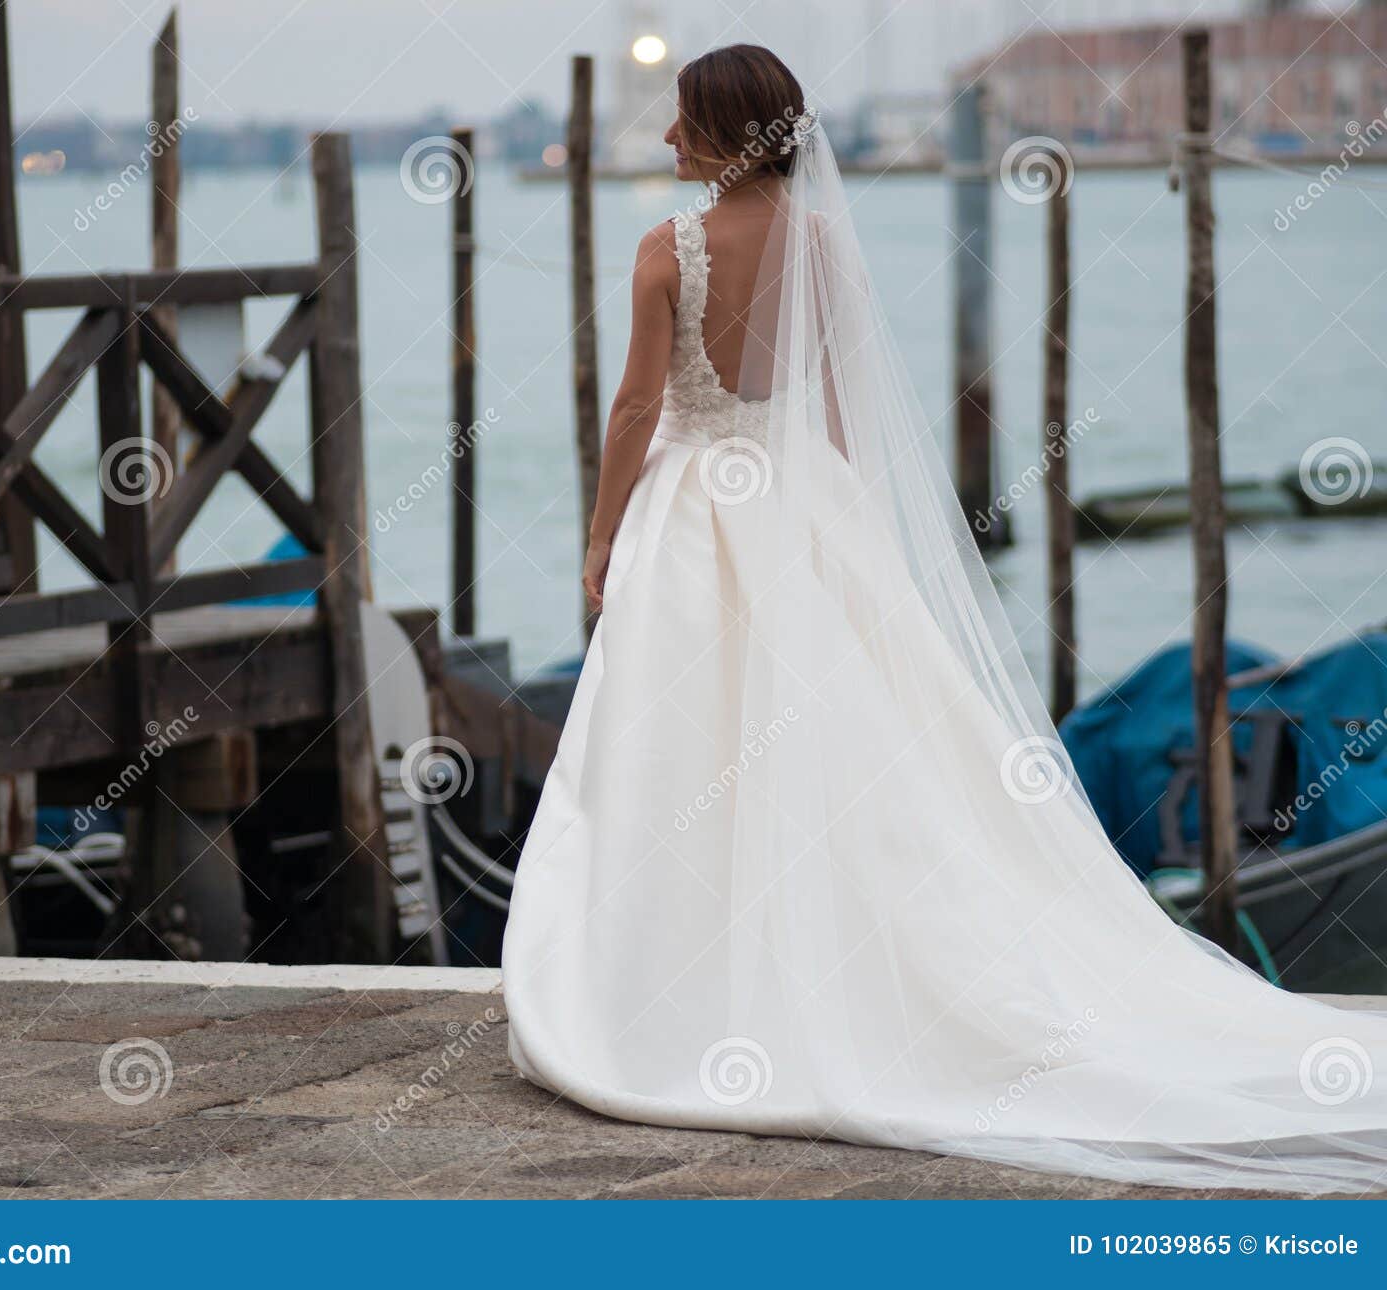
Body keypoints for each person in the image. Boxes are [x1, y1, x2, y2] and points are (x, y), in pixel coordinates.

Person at [501, 43, 1387, 1194]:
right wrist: (842, 530)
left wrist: (598, 534)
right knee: (839, 740)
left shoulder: (664, 251)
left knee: (675, 744)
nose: (667, 143)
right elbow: (832, 403)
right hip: (803, 504)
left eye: (680, 124)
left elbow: (633, 405)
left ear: (721, 130)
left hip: (691, 511)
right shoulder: (820, 243)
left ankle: (685, 985)